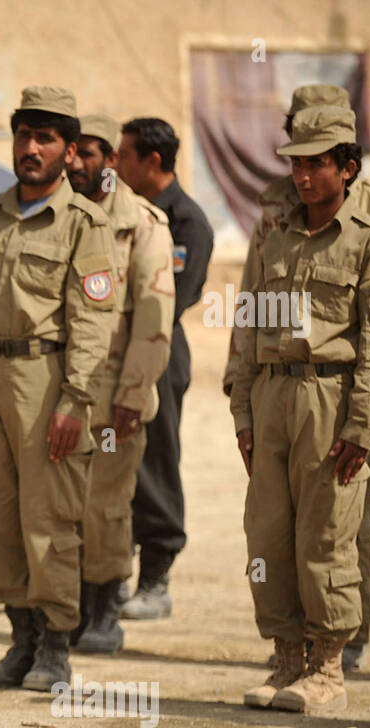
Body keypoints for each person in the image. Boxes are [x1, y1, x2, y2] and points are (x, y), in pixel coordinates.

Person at [223, 84, 370, 673]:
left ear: (346, 159)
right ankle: (292, 650)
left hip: (345, 396)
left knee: (340, 526)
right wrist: (243, 403)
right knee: (272, 533)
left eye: (318, 156)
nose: (303, 171)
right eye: (295, 150)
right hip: (277, 392)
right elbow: (252, 310)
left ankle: (339, 646)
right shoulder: (274, 214)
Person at [0, 86, 117, 691]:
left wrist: (76, 400)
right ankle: (20, 639)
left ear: (69, 151)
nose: (31, 148)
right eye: (23, 135)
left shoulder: (84, 224)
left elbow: (94, 323)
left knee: (50, 517)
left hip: (46, 380)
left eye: (45, 139)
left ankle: (56, 647)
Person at [65, 114, 175, 653]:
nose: (78, 162)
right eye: (74, 151)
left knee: (106, 507)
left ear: (111, 159)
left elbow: (153, 320)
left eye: (92, 152)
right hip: (57, 393)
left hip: (113, 398)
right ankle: (64, 610)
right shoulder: (54, 217)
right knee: (57, 507)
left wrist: (134, 394)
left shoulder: (144, 224)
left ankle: (104, 609)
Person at [115, 117, 214, 620]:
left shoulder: (184, 220)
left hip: (158, 352)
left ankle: (156, 579)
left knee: (155, 460)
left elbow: (176, 296)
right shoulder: (125, 213)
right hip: (116, 352)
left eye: (124, 155)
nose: (115, 163)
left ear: (152, 161)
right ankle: (111, 571)